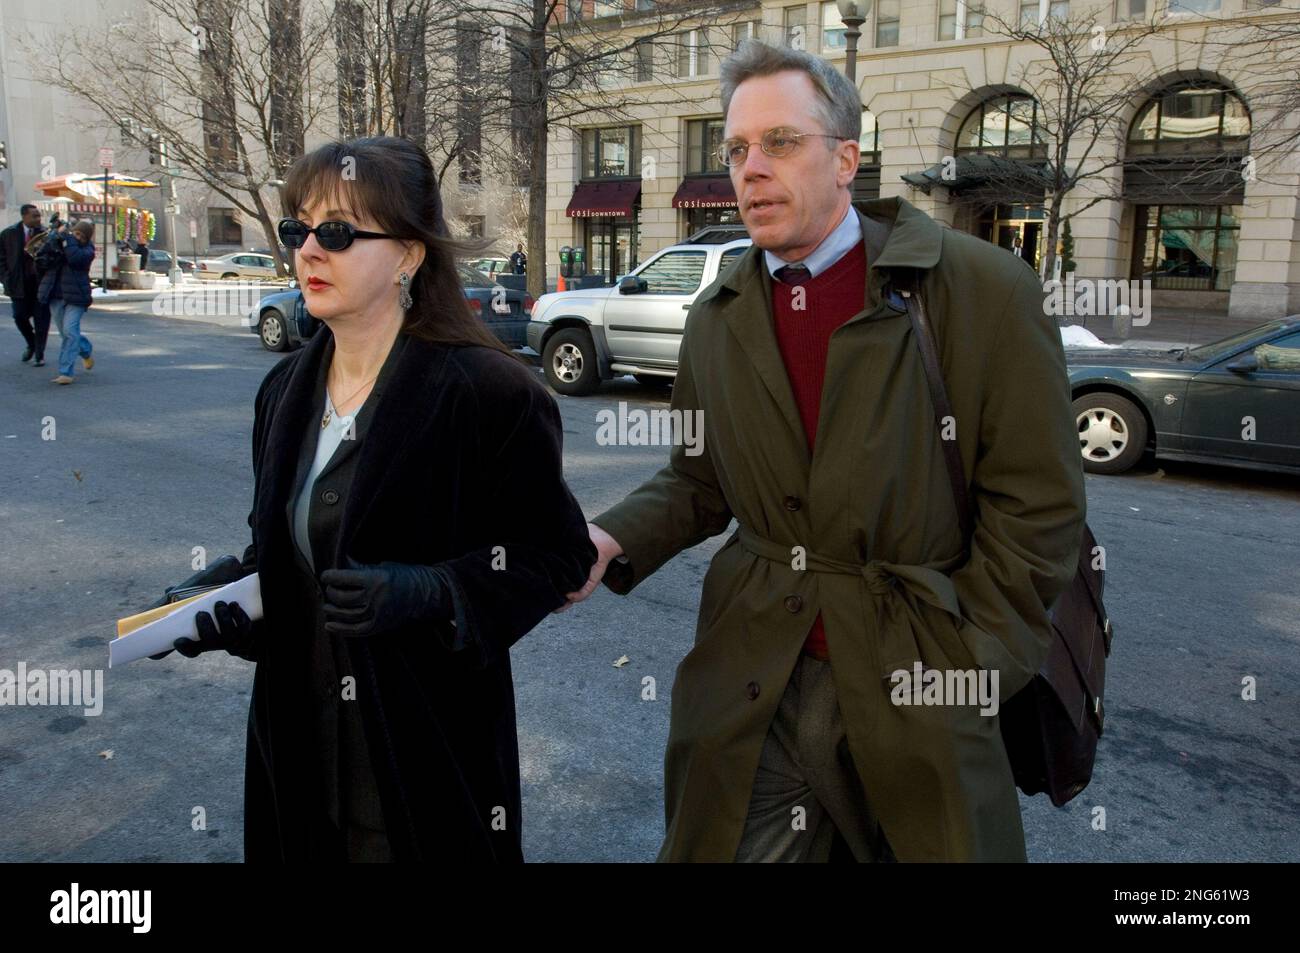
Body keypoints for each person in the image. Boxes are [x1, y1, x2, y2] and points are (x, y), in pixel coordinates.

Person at [563, 39, 1086, 862]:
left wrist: (970, 660)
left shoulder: (980, 291)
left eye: (779, 142)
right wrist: (610, 536)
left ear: (846, 158)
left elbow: (1039, 507)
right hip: (755, 675)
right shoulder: (719, 314)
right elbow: (701, 478)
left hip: (918, 676)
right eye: (737, 149)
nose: (750, 167)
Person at [147, 135, 597, 863]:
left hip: (425, 758)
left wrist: (436, 591)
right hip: (298, 757)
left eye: (338, 232)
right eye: (299, 230)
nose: (309, 252)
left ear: (410, 255)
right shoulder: (283, 391)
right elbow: (291, 559)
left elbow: (557, 555)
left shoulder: (488, 393)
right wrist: (232, 600)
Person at [37, 219, 96, 385]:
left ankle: (66, 372)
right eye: (75, 233)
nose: (77, 237)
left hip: (76, 296)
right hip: (55, 295)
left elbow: (74, 258)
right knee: (67, 333)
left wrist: (67, 239)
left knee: (70, 331)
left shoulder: (87, 250)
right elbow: (42, 255)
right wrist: (55, 235)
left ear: (87, 239)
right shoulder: (62, 243)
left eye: (81, 236)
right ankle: (85, 350)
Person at [0, 204, 53, 367]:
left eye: (39, 216)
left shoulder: (45, 235)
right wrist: (6, 277)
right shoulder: (9, 234)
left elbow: (51, 257)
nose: (38, 219)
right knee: (19, 316)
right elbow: (1, 258)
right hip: (18, 284)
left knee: (41, 319)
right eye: (34, 216)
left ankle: (39, 354)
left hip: (39, 284)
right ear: (24, 216)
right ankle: (31, 343)